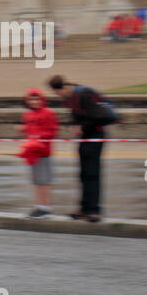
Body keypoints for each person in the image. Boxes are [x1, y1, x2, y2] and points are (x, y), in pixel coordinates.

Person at [49, 75, 111, 222]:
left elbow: (95, 117)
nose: (59, 96)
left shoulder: (82, 94)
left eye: (58, 93)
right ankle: (84, 209)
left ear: (64, 88)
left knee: (93, 173)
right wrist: (74, 125)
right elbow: (76, 116)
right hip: (85, 137)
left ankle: (95, 211)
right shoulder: (70, 98)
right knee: (83, 173)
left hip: (96, 136)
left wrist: (80, 127)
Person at [17, 88, 58, 218]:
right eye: (31, 99)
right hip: (32, 151)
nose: (34, 102)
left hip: (43, 151)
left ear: (42, 100)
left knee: (43, 180)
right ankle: (39, 205)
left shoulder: (48, 113)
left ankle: (45, 207)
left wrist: (38, 136)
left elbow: (52, 132)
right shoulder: (27, 115)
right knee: (37, 180)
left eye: (36, 99)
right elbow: (29, 130)